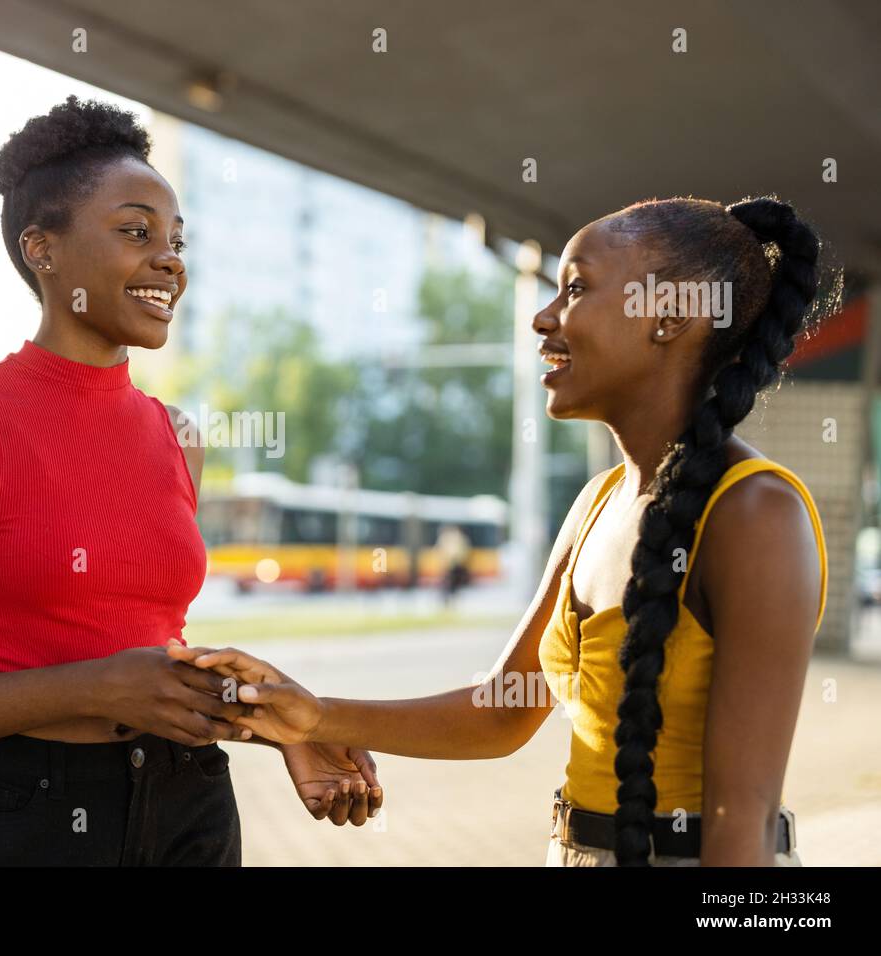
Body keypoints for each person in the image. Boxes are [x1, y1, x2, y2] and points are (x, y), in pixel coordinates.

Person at [171, 195, 828, 867]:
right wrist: (313, 716)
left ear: (669, 317)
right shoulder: (599, 501)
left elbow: (739, 824)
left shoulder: (755, 514)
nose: (543, 318)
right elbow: (501, 712)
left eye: (575, 288)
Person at [0, 96, 380, 866]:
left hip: (189, 796)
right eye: (136, 233)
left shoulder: (180, 437)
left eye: (176, 241)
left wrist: (283, 727)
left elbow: (145, 657)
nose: (170, 260)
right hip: (22, 816)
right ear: (42, 249)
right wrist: (96, 688)